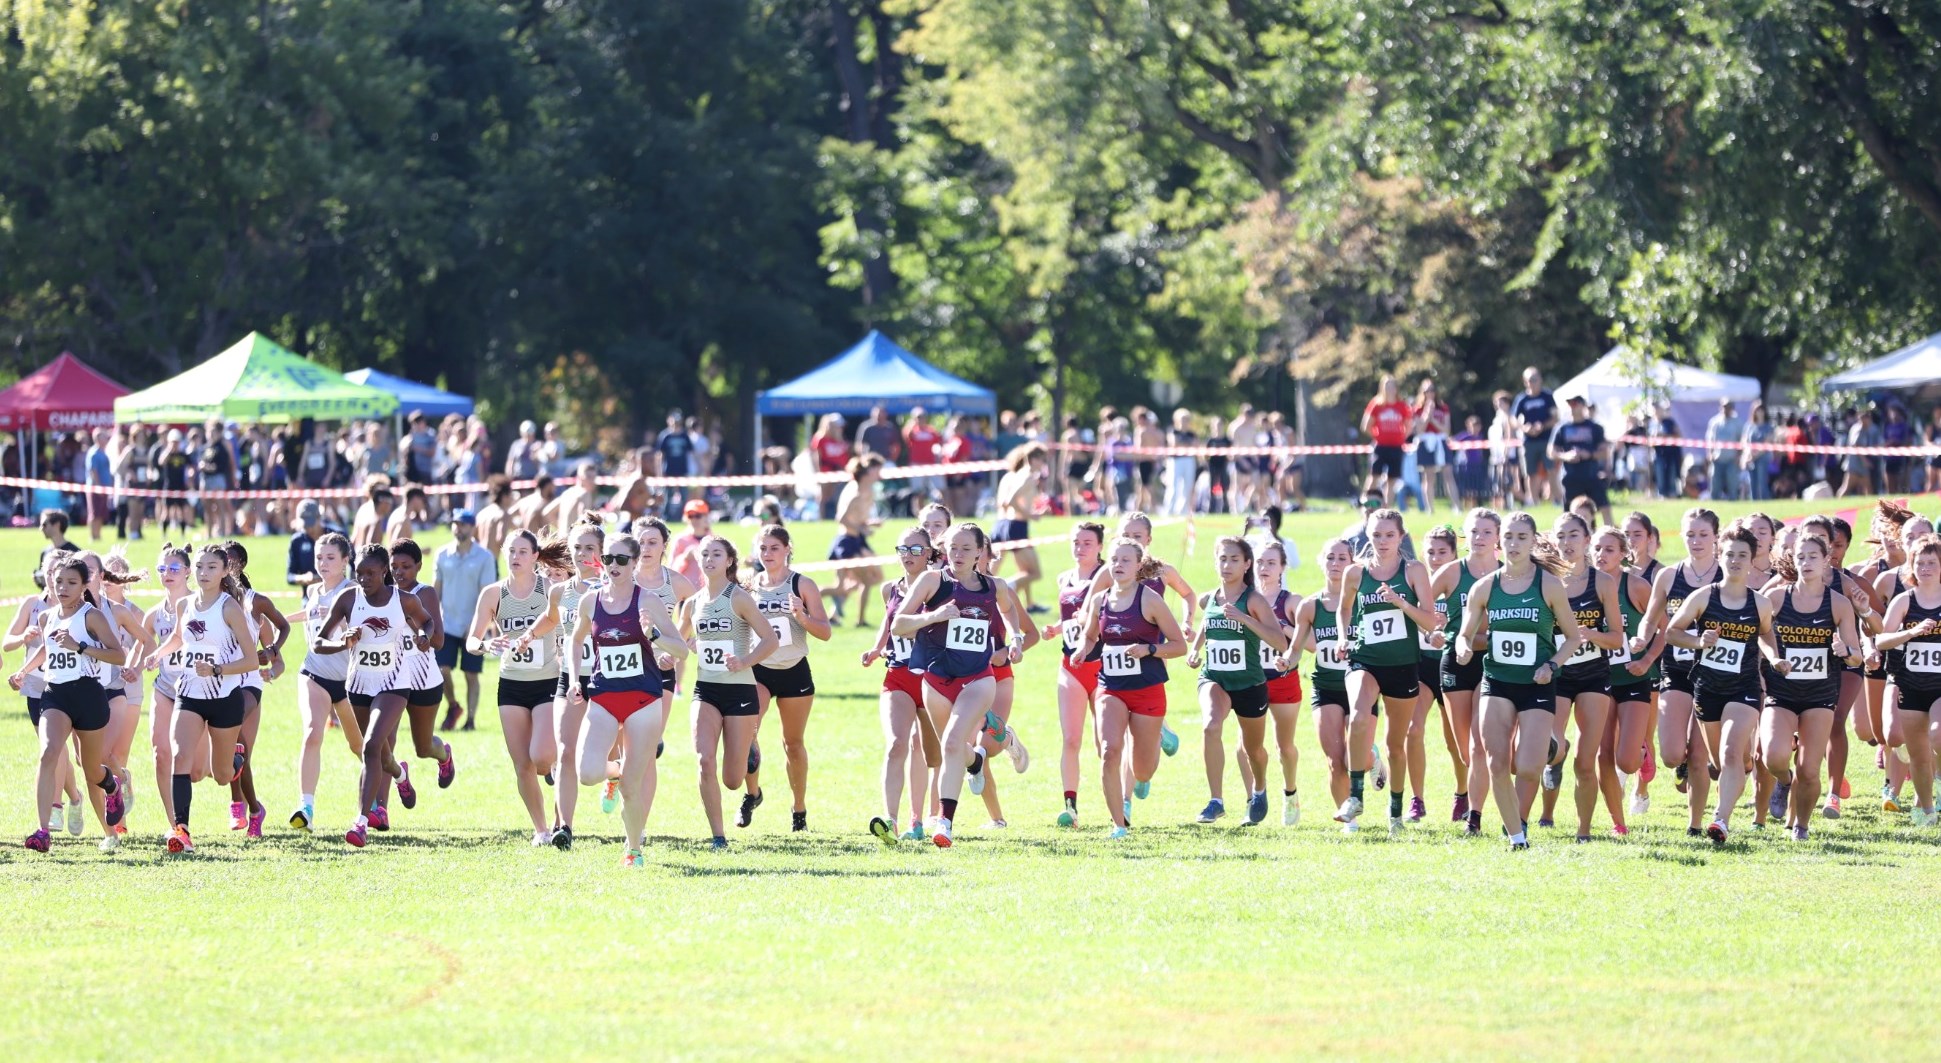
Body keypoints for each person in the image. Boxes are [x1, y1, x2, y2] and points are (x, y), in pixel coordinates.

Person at [1453, 512, 1585, 850]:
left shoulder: (1549, 585)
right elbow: (1464, 634)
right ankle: (1517, 838)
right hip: (1496, 681)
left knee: (1527, 767)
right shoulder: (1485, 587)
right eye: (1509, 537)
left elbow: (1572, 638)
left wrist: (1552, 665)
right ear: (1501, 541)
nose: (1513, 544)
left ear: (1532, 541)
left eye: (1521, 538)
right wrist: (1464, 648)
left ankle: (1552, 753)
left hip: (1537, 684)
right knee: (1497, 762)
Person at [562, 532, 688, 866]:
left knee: (632, 789)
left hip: (644, 699)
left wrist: (654, 636)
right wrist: (576, 679)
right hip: (603, 696)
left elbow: (682, 649)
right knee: (587, 773)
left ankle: (633, 850)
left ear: (634, 563)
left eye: (621, 560)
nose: (614, 566)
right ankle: (613, 770)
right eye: (608, 559)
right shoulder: (590, 601)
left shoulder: (647, 601)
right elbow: (574, 642)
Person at [1664, 525, 1779, 845]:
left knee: (1729, 753)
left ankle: (1721, 819)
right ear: (1720, 555)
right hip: (1707, 688)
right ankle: (1737, 770)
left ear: (1752, 558)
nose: (1736, 560)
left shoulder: (1760, 604)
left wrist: (1774, 656)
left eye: (1743, 555)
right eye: (1730, 554)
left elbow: (1766, 633)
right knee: (1719, 760)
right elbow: (1672, 633)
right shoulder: (1703, 597)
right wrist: (1699, 642)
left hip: (1743, 687)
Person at [1067, 536, 1189, 839]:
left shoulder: (1149, 600)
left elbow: (1179, 646)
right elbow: (1092, 636)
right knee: (1109, 750)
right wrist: (1083, 648)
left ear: (1138, 567)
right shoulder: (1099, 600)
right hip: (1111, 686)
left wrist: (1149, 650)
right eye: (1114, 560)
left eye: (1125, 560)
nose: (1118, 565)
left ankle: (1149, 757)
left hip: (1147, 688)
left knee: (1143, 770)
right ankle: (1118, 824)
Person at [315, 543, 435, 848]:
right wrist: (343, 643)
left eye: (371, 573)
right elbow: (318, 643)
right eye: (359, 573)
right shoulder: (348, 599)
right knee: (379, 753)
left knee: (370, 745)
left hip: (394, 684)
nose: (365, 579)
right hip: (358, 685)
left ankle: (361, 821)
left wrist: (423, 636)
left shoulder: (404, 600)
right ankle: (399, 774)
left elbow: (428, 621)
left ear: (385, 571)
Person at [147, 544, 261, 853]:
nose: (203, 573)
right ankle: (181, 830)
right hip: (189, 693)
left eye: (211, 567)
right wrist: (158, 654)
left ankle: (236, 757)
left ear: (225, 571)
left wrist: (217, 669)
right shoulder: (184, 605)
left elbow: (252, 661)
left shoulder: (229, 608)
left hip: (224, 697)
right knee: (180, 758)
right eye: (199, 567)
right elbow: (179, 638)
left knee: (222, 776)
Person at [1335, 507, 1441, 834]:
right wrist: (1342, 636)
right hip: (1365, 660)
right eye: (1376, 535)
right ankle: (1355, 796)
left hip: (1404, 665)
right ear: (1368, 535)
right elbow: (1343, 609)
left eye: (1389, 535)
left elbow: (1429, 620)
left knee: (1397, 745)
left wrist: (1401, 603)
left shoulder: (1414, 571)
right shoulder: (1355, 573)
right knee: (1357, 715)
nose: (1382, 541)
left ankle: (1395, 812)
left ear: (1401, 537)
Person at [14, 557, 129, 852]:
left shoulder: (92, 617)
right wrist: (24, 671)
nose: (63, 588)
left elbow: (118, 655)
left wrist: (79, 647)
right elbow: (47, 649)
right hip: (55, 695)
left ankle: (112, 787)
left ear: (83, 586)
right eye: (59, 581)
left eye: (71, 583)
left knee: (91, 770)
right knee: (48, 753)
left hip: (89, 696)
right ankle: (42, 831)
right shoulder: (46, 616)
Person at [679, 534, 779, 848]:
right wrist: (678, 647)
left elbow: (770, 640)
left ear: (729, 561)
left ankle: (751, 760)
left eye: (716, 554)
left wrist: (745, 661)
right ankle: (718, 836)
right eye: (704, 554)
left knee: (733, 780)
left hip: (740, 691)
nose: (709, 560)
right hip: (705, 690)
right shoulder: (693, 604)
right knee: (704, 760)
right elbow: (677, 640)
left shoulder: (738, 598)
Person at [1763, 532, 1862, 840]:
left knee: (1809, 770)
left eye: (1813, 557)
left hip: (1820, 694)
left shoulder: (1839, 604)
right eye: (1800, 557)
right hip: (1782, 691)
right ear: (1792, 561)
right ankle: (1783, 780)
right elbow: (1761, 633)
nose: (1806, 562)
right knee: (1773, 756)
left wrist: (1845, 652)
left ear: (1826, 560)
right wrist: (1773, 656)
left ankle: (1800, 827)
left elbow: (1857, 656)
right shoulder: (1778, 598)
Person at [1186, 536, 1288, 825]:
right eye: (1222, 559)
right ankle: (1216, 801)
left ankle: (1259, 789)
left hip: (1249, 684)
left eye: (1233, 559)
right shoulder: (1213, 596)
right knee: (1210, 726)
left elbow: (1280, 642)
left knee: (1253, 750)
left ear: (1247, 565)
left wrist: (1246, 619)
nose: (1227, 564)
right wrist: (1195, 650)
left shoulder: (1253, 600)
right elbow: (1208, 620)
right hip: (1214, 678)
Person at [743, 525, 834, 832]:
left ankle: (799, 810)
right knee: (746, 732)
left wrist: (802, 617)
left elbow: (825, 632)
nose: (767, 554)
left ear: (787, 550)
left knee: (793, 744)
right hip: (759, 670)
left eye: (774, 548)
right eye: (763, 548)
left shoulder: (802, 584)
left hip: (794, 669)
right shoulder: (749, 586)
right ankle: (752, 794)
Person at [1638, 508, 1722, 835]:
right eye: (1690, 534)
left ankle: (1695, 824)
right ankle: (1681, 765)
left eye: (1703, 534)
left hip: (1714, 674)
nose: (1696, 541)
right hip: (1675, 670)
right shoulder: (1669, 576)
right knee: (1673, 754)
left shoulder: (1725, 577)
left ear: (1716, 536)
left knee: (1701, 756)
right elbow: (1651, 617)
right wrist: (1642, 637)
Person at [864, 526, 939, 843]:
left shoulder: (939, 588)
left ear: (929, 554)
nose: (909, 556)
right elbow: (889, 618)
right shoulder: (890, 588)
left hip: (933, 678)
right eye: (903, 549)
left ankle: (918, 820)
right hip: (897, 675)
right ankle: (891, 821)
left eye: (916, 550)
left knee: (930, 753)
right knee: (898, 743)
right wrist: (878, 646)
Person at [285, 532, 362, 832]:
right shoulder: (314, 590)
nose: (323, 563)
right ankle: (306, 808)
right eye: (319, 557)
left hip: (348, 682)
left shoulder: (353, 591)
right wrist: (274, 619)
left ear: (345, 561)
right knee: (312, 733)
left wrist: (342, 624)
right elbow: (309, 614)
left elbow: (361, 633)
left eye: (330, 558)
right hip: (313, 673)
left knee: (360, 747)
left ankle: (392, 778)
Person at [1431, 509, 1501, 832]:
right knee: (1465, 751)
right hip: (1457, 663)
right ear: (1465, 535)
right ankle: (1470, 793)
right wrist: (1431, 630)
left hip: (1495, 663)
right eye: (1474, 532)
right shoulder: (1450, 573)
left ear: (1498, 536)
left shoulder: (1510, 574)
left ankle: (1474, 817)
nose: (1480, 538)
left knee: (1479, 743)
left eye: (1487, 532)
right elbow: (1423, 607)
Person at [1593, 525, 1663, 838]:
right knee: (1603, 753)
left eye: (1609, 549)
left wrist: (1646, 660)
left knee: (1628, 760)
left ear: (1624, 554)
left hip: (1634, 677)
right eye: (1596, 548)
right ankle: (1617, 823)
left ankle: (1643, 754)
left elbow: (1665, 630)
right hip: (1597, 678)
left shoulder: (1636, 587)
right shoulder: (1582, 587)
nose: (1601, 555)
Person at [1038, 522, 1107, 828]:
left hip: (1104, 666)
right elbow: (1069, 618)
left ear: (1100, 546)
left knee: (1105, 742)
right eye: (1076, 542)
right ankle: (1071, 808)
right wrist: (1055, 628)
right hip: (1070, 667)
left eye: (1087, 543)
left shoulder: (1107, 576)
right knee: (1071, 739)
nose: (1080, 548)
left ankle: (1121, 804)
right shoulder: (1064, 578)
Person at [388, 540, 459, 822]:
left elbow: (439, 641)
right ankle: (389, 794)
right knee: (384, 742)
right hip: (391, 680)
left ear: (418, 566)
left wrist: (420, 633)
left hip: (423, 680)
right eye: (394, 567)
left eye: (406, 567)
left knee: (423, 747)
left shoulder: (424, 593)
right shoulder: (382, 593)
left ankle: (444, 757)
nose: (399, 572)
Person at [1874, 534, 1941, 828]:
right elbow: (1882, 641)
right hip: (1911, 686)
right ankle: (1926, 810)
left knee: (1938, 734)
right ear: (1911, 565)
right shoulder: (1905, 600)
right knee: (1918, 756)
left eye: (1932, 562)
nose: (1925, 568)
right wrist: (1910, 634)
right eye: (1920, 562)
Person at [433, 509, 499, 731]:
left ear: (473, 528)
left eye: (463, 524)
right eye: (455, 524)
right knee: (441, 670)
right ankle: (453, 705)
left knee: (471, 674)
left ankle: (470, 720)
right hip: (447, 623)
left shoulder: (485, 557)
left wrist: (477, 626)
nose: (458, 528)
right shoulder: (442, 554)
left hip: (474, 626)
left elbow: (486, 594)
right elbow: (436, 590)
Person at [824, 456, 885, 627]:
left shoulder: (869, 490)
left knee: (872, 577)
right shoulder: (855, 492)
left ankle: (837, 612)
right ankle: (858, 620)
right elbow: (841, 518)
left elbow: (857, 519)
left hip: (858, 539)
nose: (880, 473)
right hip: (847, 542)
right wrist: (861, 529)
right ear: (868, 471)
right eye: (878, 469)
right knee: (850, 584)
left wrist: (870, 524)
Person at [991, 444, 1048, 613]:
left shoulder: (1011, 476)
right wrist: (1032, 515)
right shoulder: (1028, 477)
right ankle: (1003, 588)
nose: (1043, 464)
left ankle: (1029, 604)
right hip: (1016, 526)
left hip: (1003, 524)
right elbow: (1010, 501)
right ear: (1033, 459)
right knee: (1035, 573)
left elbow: (1003, 503)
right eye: (1042, 460)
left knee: (1021, 570)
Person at [1549, 396, 1613, 525]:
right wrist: (1566, 456)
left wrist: (1588, 455)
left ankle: (1611, 535)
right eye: (1570, 404)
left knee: (1604, 507)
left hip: (1591, 475)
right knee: (1568, 512)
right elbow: (1551, 452)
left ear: (1583, 406)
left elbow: (1605, 453)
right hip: (1570, 477)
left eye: (1575, 404)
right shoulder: (1562, 428)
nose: (1572, 407)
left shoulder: (1595, 428)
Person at [1360, 375, 1413, 506]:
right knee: (1374, 475)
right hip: (1381, 446)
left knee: (1392, 479)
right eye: (1387, 386)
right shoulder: (1377, 404)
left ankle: (1386, 508)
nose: (1390, 389)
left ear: (1396, 388)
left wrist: (1401, 438)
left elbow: (1409, 426)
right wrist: (1378, 436)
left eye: (1392, 386)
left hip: (1396, 447)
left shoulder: (1402, 406)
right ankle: (1366, 503)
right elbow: (1366, 425)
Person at [1511, 369, 1558, 506]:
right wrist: (1524, 428)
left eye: (1535, 379)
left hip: (1546, 440)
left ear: (1540, 380)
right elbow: (1513, 419)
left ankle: (1556, 500)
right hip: (1528, 441)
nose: (1532, 383)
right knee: (1530, 473)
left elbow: (1555, 418)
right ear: (1525, 382)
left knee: (1551, 470)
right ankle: (1534, 501)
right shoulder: (1522, 399)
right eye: (1530, 380)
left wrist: (1542, 426)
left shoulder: (1547, 396)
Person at [654, 411, 695, 516]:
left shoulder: (684, 436)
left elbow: (691, 453)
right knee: (667, 496)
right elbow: (660, 455)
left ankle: (685, 516)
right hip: (669, 470)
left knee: (684, 495)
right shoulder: (665, 436)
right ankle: (666, 517)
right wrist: (660, 471)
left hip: (682, 470)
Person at [1705, 399, 1745, 501]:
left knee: (1732, 486)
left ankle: (1734, 504)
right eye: (1723, 406)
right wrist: (1709, 453)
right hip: (1717, 459)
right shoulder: (1714, 422)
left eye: (1728, 407)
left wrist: (1739, 456)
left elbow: (1742, 440)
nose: (1725, 409)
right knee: (1715, 485)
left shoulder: (1738, 423)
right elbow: (1709, 439)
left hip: (1731, 459)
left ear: (1732, 408)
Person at [903, 406, 942, 503]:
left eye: (923, 416)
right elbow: (907, 437)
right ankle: (919, 513)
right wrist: (913, 424)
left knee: (938, 489)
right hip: (916, 464)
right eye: (918, 417)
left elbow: (938, 443)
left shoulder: (931, 431)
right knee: (918, 491)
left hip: (931, 464)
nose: (921, 419)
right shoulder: (911, 430)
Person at [286, 498, 328, 587]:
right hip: (309, 596)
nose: (308, 528)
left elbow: (352, 565)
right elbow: (289, 576)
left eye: (311, 524)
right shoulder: (297, 541)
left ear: (319, 518)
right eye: (305, 525)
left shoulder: (335, 536)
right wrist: (304, 578)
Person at [35, 508, 79, 589]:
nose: (41, 529)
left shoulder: (75, 552)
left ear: (57, 525)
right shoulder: (45, 552)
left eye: (44, 525)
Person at [85, 427, 114, 541]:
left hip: (104, 488)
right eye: (103, 436)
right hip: (95, 488)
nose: (106, 438)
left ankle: (98, 534)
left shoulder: (104, 452)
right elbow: (93, 471)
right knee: (94, 513)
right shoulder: (93, 453)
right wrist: (98, 486)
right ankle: (93, 535)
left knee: (101, 513)